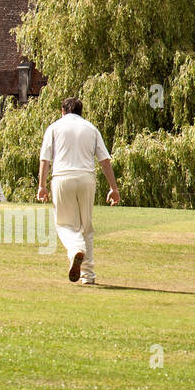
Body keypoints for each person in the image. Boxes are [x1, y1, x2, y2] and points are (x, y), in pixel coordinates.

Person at [36, 97, 121, 285]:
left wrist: (41, 186)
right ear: (81, 112)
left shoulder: (54, 127)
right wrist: (113, 188)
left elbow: (45, 159)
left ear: (62, 111)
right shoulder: (91, 129)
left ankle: (75, 250)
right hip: (86, 179)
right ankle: (88, 275)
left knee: (64, 224)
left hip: (62, 178)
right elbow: (104, 160)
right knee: (86, 228)